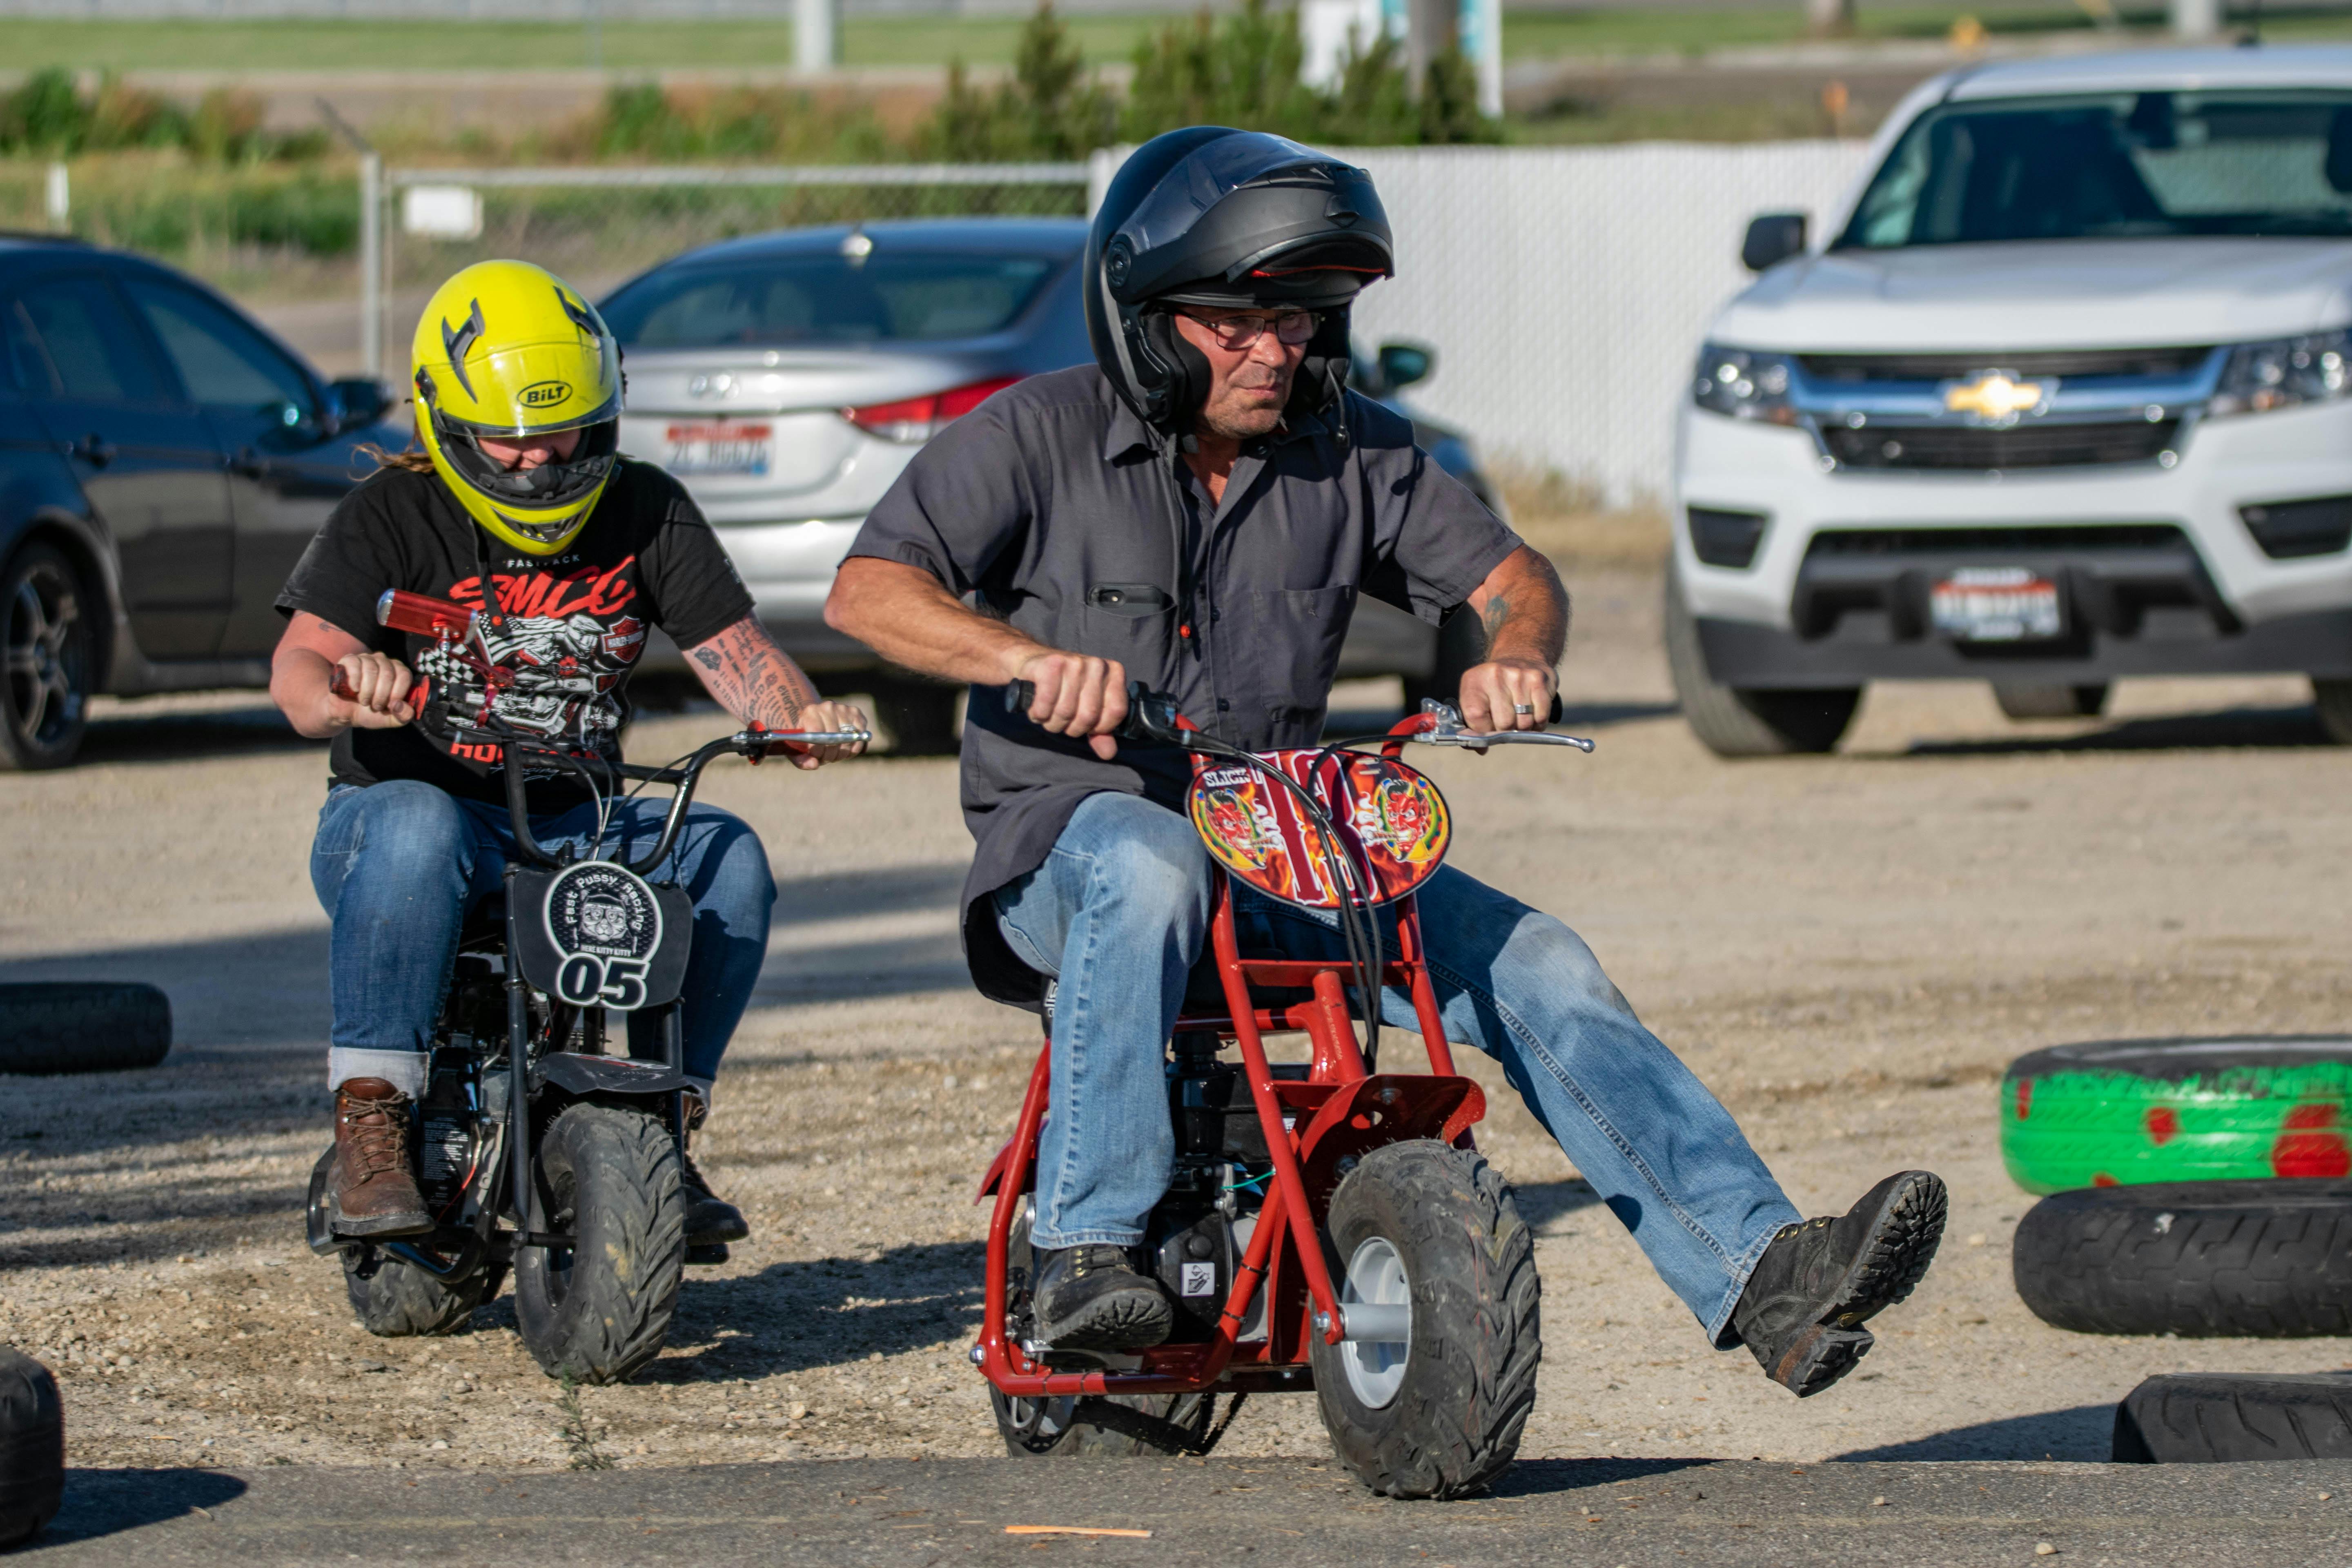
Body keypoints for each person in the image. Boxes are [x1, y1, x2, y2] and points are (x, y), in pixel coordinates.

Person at [825, 128, 1945, 1398]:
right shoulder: (1035, 433)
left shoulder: (1355, 447)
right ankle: (1088, 1248)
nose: (1277, 351)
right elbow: (870, 590)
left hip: (1280, 844)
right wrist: (1016, 657)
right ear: (1142, 318)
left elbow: (1518, 578)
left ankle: (1761, 1274)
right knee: (1145, 857)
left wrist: (1513, 651)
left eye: (1302, 322)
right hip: (1073, 855)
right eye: (1235, 325)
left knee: (1537, 960)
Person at [271, 259, 865, 1250]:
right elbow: (297, 674)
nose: (541, 461)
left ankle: (666, 1127)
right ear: (447, 421)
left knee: (729, 858)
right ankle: (372, 1117)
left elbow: (742, 660)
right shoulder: (389, 515)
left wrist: (803, 717)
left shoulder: (646, 509)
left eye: (565, 435)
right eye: (510, 439)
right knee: (416, 825)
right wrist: (345, 686)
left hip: (576, 812)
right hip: (414, 815)